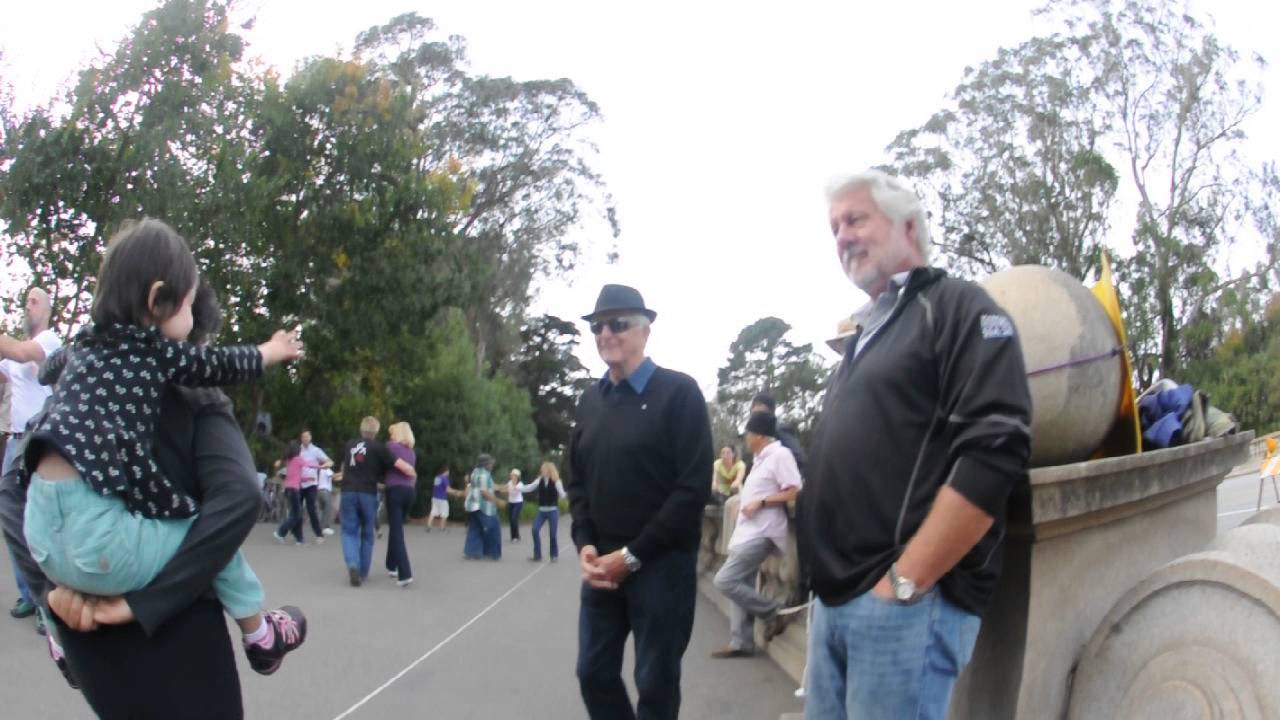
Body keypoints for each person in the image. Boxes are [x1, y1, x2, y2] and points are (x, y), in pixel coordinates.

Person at [20, 221, 308, 676]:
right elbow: (218, 364)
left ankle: (58, 639)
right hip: (100, 544)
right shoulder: (151, 350)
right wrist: (271, 351)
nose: (192, 318)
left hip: (39, 528)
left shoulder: (83, 345)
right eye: (190, 304)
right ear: (157, 301)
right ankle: (260, 633)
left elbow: (44, 371)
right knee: (206, 533)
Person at [797, 170, 1032, 719]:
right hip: (835, 602)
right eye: (834, 228)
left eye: (855, 219)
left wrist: (905, 582)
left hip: (901, 606)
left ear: (908, 226)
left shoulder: (959, 307)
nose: (842, 238)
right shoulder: (865, 335)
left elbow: (996, 447)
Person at [0, 277, 272, 717]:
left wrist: (49, 589)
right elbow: (240, 496)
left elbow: (13, 493)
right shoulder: (199, 398)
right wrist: (144, 603)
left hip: (88, 638)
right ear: (196, 338)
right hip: (182, 633)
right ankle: (262, 634)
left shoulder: (76, 398)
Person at [567, 284, 713, 720]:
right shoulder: (590, 402)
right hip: (603, 567)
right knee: (592, 672)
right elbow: (577, 483)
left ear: (646, 331)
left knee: (656, 682)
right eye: (597, 326)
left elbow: (691, 490)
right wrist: (586, 544)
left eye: (618, 323)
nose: (606, 333)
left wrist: (632, 556)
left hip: (661, 566)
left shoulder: (679, 394)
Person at [710, 411, 803, 658]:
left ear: (760, 435)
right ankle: (741, 642)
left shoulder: (780, 455)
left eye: (749, 434)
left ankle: (774, 611)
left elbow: (794, 490)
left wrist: (761, 502)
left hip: (763, 532)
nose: (746, 439)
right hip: (749, 530)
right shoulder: (761, 458)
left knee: (725, 580)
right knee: (743, 582)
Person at [0, 286, 61, 634]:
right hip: (15, 441)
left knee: (40, 519)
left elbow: (23, 354)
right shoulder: (15, 351)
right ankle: (29, 594)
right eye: (26, 301)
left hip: (42, 440)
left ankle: (47, 600)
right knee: (12, 518)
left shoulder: (50, 341)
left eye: (35, 300)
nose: (28, 305)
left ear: (48, 310)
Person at [337, 416, 415, 586]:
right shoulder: (380, 448)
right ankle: (363, 572)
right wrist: (411, 472)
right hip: (368, 493)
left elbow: (346, 466)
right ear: (377, 431)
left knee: (349, 531)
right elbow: (403, 466)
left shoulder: (349, 445)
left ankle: (352, 565)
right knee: (367, 533)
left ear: (361, 429)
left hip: (348, 491)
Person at [383, 421, 417, 587]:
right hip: (409, 492)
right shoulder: (411, 452)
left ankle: (405, 573)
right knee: (396, 528)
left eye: (392, 432)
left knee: (396, 531)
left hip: (395, 490)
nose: (390, 436)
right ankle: (391, 564)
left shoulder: (391, 447)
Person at [514, 460, 567, 562]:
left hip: (553, 510)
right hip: (541, 510)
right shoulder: (539, 480)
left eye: (543, 469)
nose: (541, 470)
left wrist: (569, 494)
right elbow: (530, 487)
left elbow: (562, 494)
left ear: (548, 470)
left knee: (552, 534)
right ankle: (537, 555)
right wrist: (518, 488)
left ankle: (554, 555)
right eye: (541, 469)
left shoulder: (556, 481)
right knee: (534, 529)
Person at [273, 441, 324, 545]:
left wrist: (307, 478)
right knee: (296, 515)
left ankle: (299, 539)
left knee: (296, 514)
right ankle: (280, 532)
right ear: (297, 450)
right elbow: (309, 465)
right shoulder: (298, 459)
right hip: (294, 490)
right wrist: (322, 466)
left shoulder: (290, 461)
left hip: (288, 489)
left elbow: (296, 477)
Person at [749, 393, 806, 474]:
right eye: (753, 406)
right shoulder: (759, 432)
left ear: (769, 409)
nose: (754, 409)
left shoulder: (779, 428)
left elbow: (798, 457)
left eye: (758, 405)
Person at [462, 454, 501, 560]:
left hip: (472, 505)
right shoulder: (484, 474)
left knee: (475, 528)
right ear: (486, 464)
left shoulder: (475, 472)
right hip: (483, 507)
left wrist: (503, 487)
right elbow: (484, 492)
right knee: (493, 527)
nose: (492, 464)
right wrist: (497, 501)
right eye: (490, 463)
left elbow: (490, 486)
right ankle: (493, 553)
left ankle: (471, 552)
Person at [298, 429, 334, 538]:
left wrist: (324, 465)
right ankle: (297, 533)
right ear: (301, 438)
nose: (305, 439)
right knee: (297, 509)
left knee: (311, 509)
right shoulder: (298, 450)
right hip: (299, 483)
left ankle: (318, 533)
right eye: (303, 437)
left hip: (311, 483)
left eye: (307, 437)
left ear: (310, 438)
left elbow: (330, 461)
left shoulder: (316, 450)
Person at [502, 468, 524, 543]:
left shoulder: (520, 484)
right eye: (511, 475)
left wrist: (508, 489)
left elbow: (513, 491)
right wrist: (499, 489)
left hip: (518, 503)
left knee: (514, 518)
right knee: (511, 520)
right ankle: (513, 536)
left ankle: (516, 537)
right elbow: (505, 488)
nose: (512, 476)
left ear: (517, 476)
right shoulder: (509, 482)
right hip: (511, 502)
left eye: (513, 475)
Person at [426, 464, 451, 531]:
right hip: (442, 498)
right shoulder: (445, 479)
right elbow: (448, 490)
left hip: (435, 497)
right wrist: (457, 492)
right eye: (448, 471)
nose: (448, 473)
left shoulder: (437, 478)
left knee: (433, 511)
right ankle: (442, 527)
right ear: (446, 471)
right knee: (444, 512)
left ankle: (429, 526)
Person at [316, 465, 337, 534]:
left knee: (321, 510)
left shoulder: (319, 470)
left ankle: (319, 527)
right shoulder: (326, 469)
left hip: (318, 491)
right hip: (325, 491)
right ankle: (325, 527)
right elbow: (334, 477)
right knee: (327, 510)